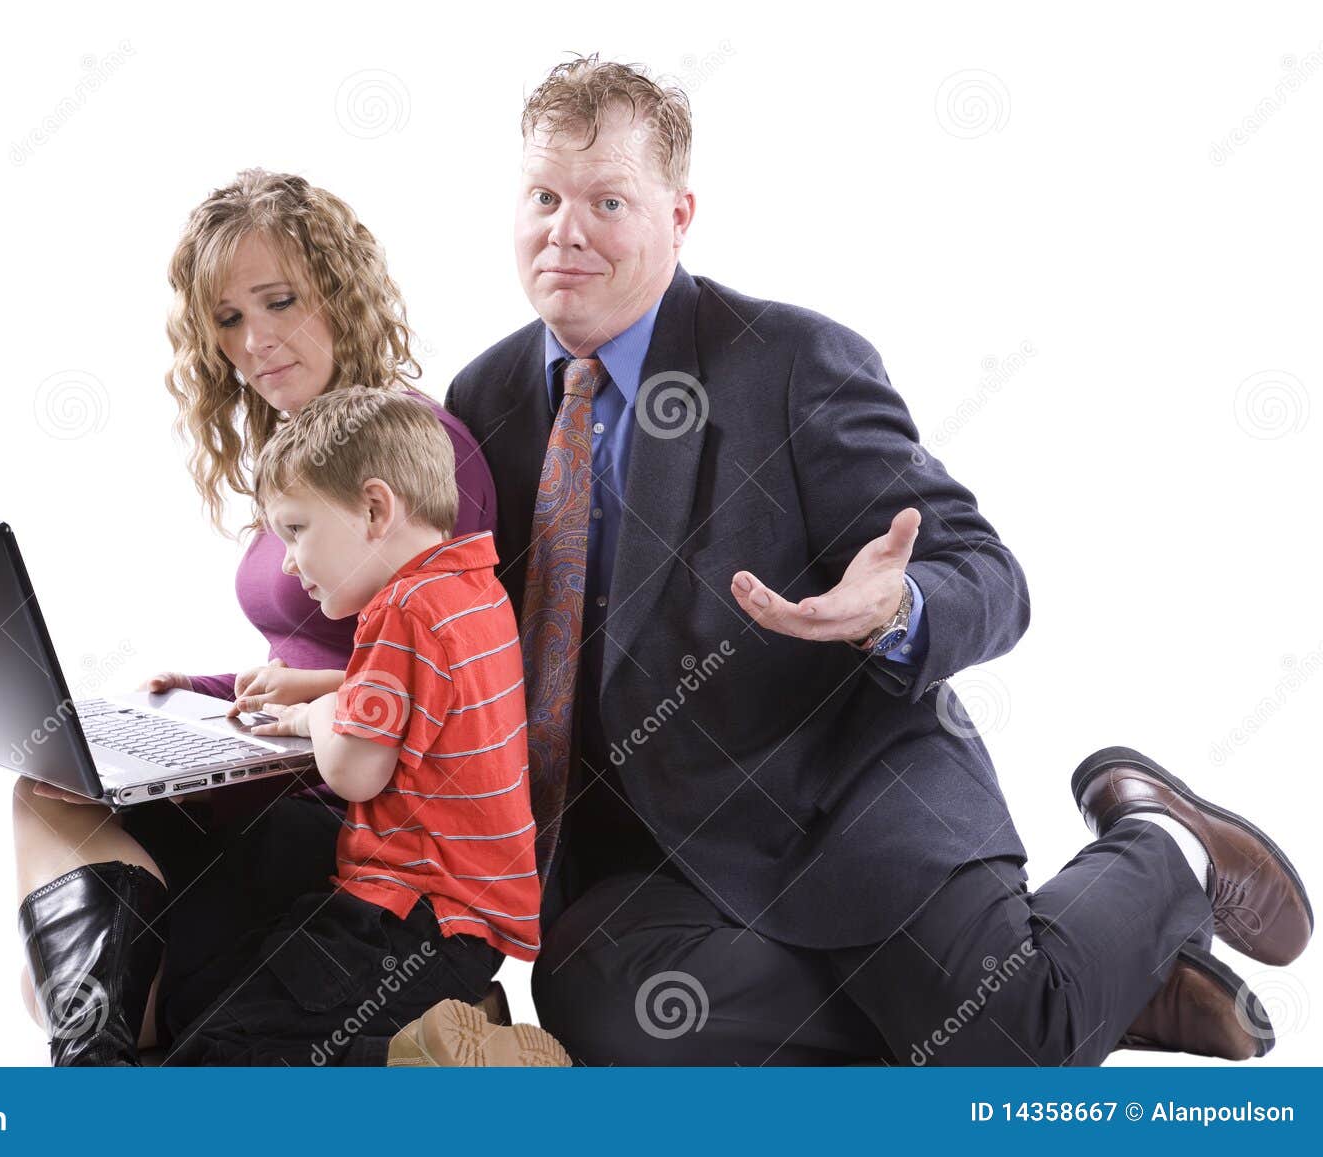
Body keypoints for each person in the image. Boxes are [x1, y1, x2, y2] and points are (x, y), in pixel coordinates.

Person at [444, 55, 1312, 1065]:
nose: (566, 230)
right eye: (543, 195)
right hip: (653, 865)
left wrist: (895, 604)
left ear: (679, 215)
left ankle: (1159, 851)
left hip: (846, 799)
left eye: (607, 200)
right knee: (616, 1026)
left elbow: (988, 575)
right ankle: (1091, 976)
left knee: (1000, 1049)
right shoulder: (487, 399)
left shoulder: (788, 361)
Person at [12, 170, 498, 1065]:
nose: (255, 341)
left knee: (123, 972)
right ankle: (95, 1063)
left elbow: (453, 678)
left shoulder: (420, 454)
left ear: (340, 294)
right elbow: (312, 646)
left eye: (279, 302)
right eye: (229, 320)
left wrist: (306, 715)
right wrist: (199, 692)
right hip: (283, 763)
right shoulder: (307, 454)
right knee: (55, 785)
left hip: (352, 807)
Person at [162, 388, 569, 1066]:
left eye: (296, 529)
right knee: (245, 998)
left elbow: (355, 767)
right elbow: (431, 703)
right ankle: (444, 1030)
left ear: (376, 509)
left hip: (405, 919)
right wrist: (317, 691)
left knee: (217, 1051)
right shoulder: (470, 587)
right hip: (470, 929)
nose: (289, 561)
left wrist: (323, 713)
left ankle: (440, 1072)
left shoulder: (399, 612)